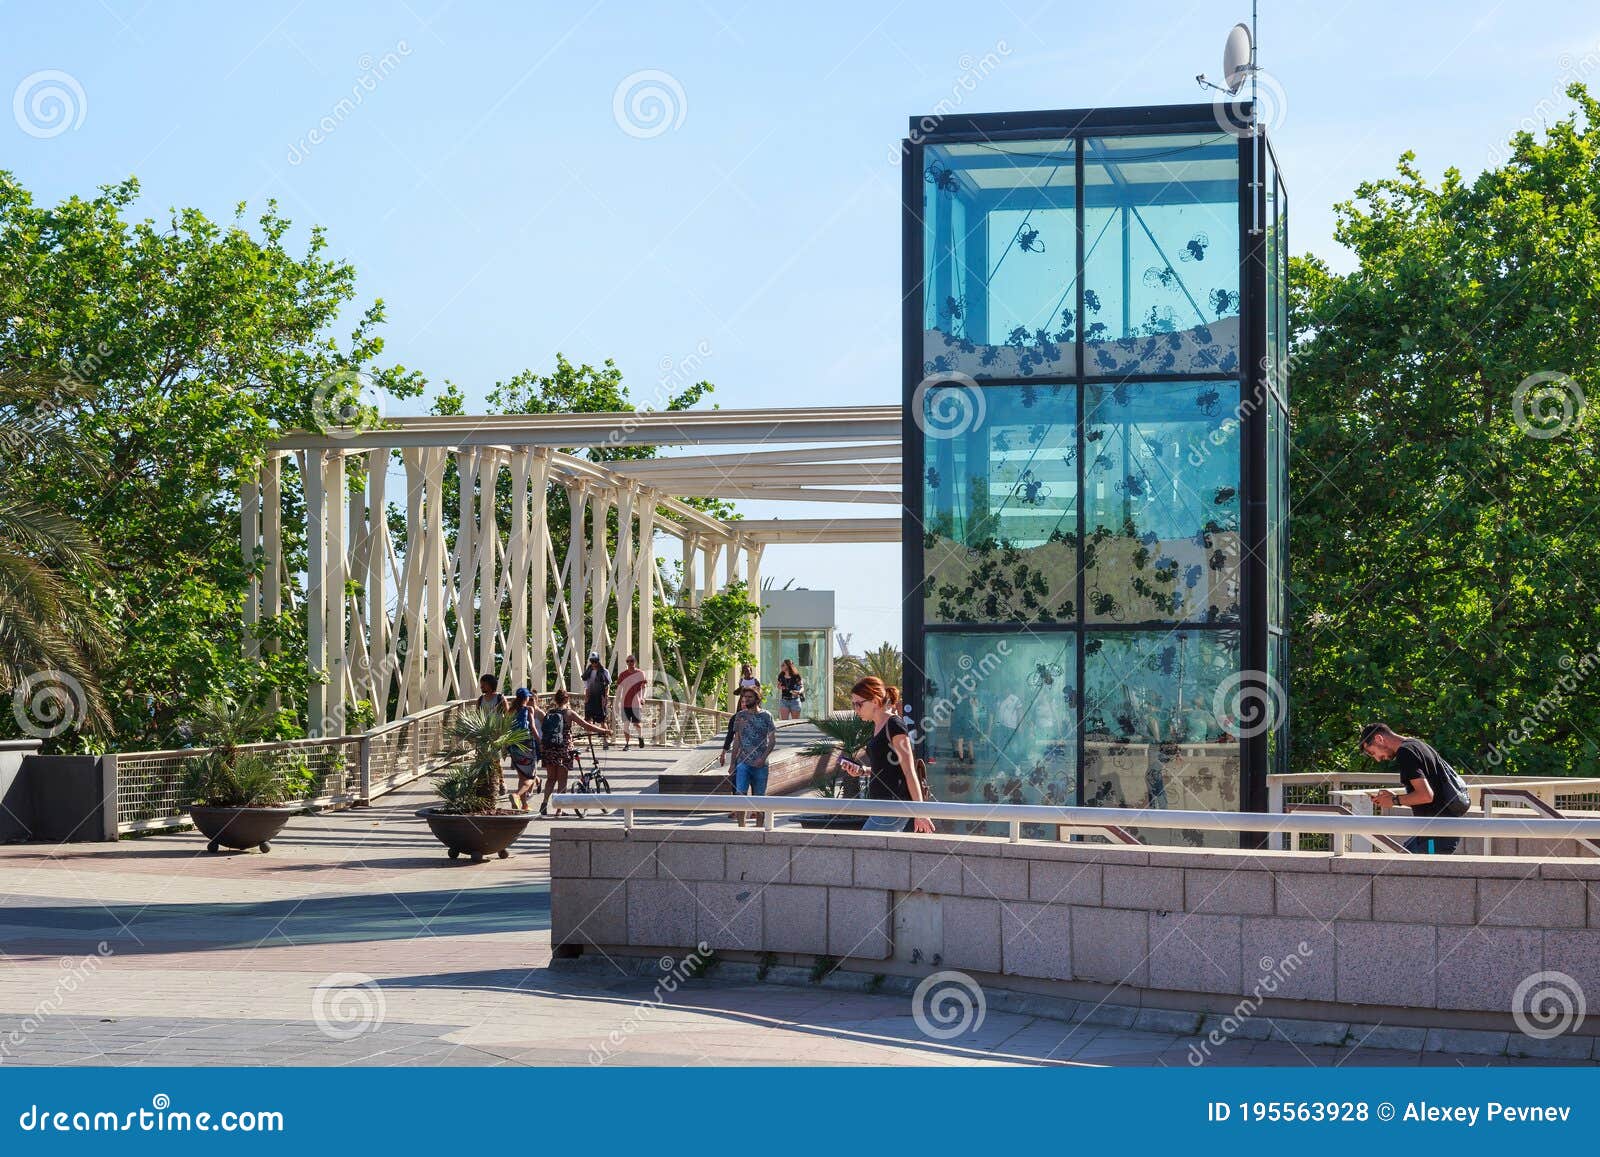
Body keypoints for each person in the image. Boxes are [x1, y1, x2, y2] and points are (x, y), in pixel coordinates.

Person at [839, 676, 934, 834]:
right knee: (873, 854)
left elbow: (909, 771)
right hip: (882, 805)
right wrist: (862, 771)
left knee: (864, 851)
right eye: (853, 704)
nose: (855, 709)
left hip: (894, 805)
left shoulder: (894, 725)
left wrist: (920, 812)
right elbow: (887, 768)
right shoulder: (878, 726)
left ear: (875, 701)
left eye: (858, 704)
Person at [1359, 722, 1471, 854]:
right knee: (1401, 860)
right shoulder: (1416, 744)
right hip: (1436, 831)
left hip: (1435, 835)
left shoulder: (1405, 753)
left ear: (1379, 739)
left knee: (1419, 870)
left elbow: (1426, 796)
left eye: (1373, 752)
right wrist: (1393, 797)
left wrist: (1394, 800)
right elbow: (1431, 797)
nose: (1378, 759)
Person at [537, 688, 611, 817]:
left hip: (549, 748)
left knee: (550, 779)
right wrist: (603, 731)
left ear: (555, 699)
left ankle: (543, 804)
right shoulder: (569, 713)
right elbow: (585, 725)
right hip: (563, 749)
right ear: (567, 699)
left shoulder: (549, 712)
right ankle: (559, 809)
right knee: (562, 779)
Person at [720, 686, 776, 826]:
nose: (746, 700)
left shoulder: (766, 716)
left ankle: (758, 828)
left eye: (749, 697)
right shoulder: (740, 716)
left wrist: (762, 758)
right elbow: (737, 741)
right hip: (743, 762)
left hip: (760, 764)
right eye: (744, 698)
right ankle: (741, 828)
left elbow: (772, 740)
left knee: (760, 798)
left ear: (757, 699)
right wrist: (732, 763)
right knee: (740, 795)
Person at [507, 687, 541, 811]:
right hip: (527, 745)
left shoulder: (511, 710)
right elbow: (532, 727)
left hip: (514, 745)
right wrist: (540, 742)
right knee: (531, 778)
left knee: (522, 776)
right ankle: (516, 794)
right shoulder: (529, 709)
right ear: (526, 698)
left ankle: (524, 805)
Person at [616, 655, 649, 749]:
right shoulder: (623, 674)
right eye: (628, 661)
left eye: (632, 661)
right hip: (625, 703)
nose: (630, 663)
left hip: (636, 702)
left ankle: (640, 737)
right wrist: (617, 701)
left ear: (635, 662)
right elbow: (619, 689)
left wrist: (643, 698)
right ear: (626, 662)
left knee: (636, 723)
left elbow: (644, 687)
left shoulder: (640, 673)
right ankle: (627, 744)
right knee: (626, 725)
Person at [582, 652, 612, 748]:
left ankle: (605, 741)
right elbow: (586, 687)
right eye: (592, 661)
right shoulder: (588, 672)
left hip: (600, 698)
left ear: (598, 661)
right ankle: (590, 743)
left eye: (595, 661)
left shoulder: (604, 671)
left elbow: (607, 685)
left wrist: (606, 697)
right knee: (588, 721)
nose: (593, 663)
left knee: (602, 721)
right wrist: (586, 699)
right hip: (590, 698)